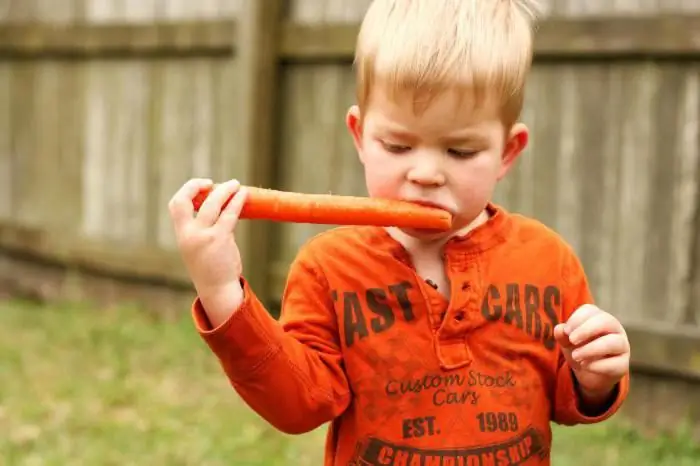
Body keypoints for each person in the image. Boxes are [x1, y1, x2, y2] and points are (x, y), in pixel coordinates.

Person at [167, 0, 631, 464]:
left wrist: (595, 378)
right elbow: (298, 406)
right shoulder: (327, 268)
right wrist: (220, 289)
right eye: (397, 145)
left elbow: (568, 399)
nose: (426, 173)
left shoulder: (547, 259)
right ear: (360, 136)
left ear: (507, 152)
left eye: (461, 151)